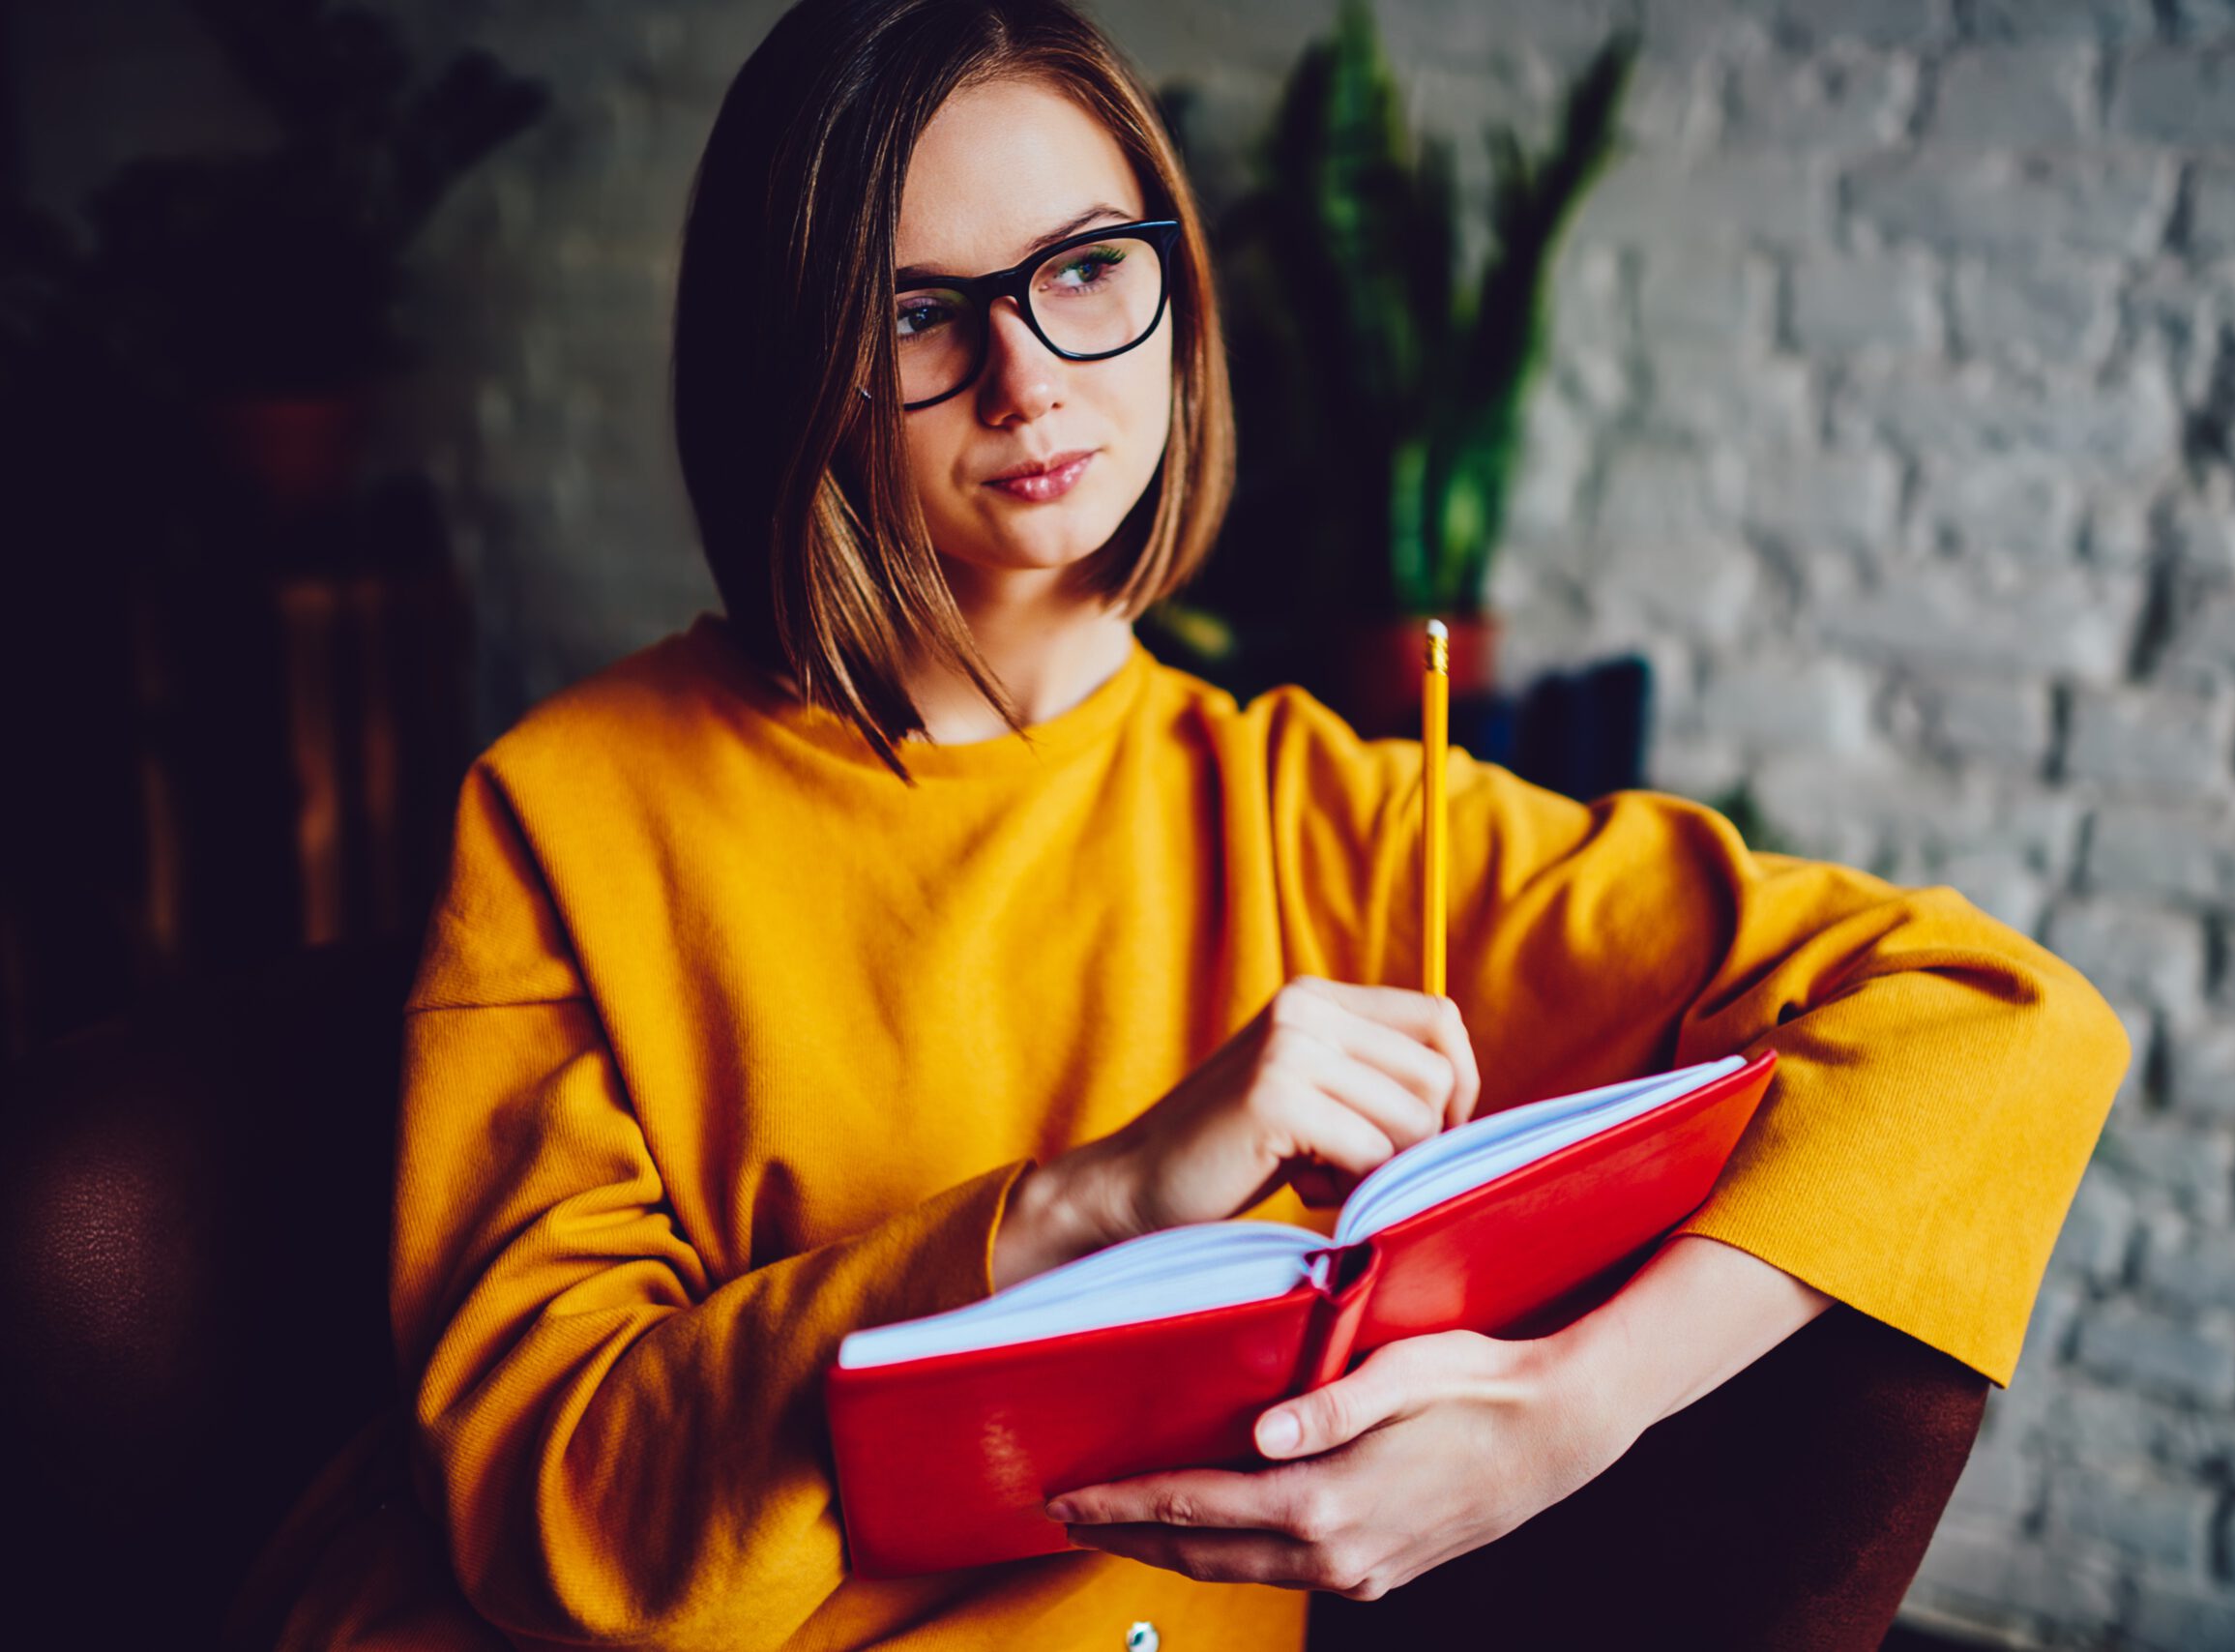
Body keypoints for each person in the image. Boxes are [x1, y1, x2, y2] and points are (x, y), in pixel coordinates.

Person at [230, 1, 2131, 1647]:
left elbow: (1990, 1021)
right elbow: (554, 1502)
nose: (1026, 373)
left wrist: (1566, 1406)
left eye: (1081, 266)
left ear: (1167, 283)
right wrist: (1086, 1201)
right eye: (916, 309)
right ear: (790, 362)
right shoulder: (571, 807)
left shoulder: (1341, 817)